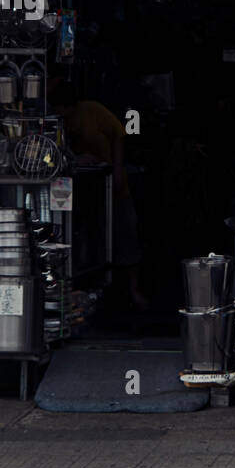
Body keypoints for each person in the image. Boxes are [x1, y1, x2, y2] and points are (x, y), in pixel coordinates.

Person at [49, 83, 150, 311]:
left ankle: (133, 289)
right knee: (85, 237)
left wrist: (116, 170)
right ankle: (84, 291)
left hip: (110, 183)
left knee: (124, 232)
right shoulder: (55, 122)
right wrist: (75, 158)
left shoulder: (91, 110)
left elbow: (119, 135)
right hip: (78, 188)